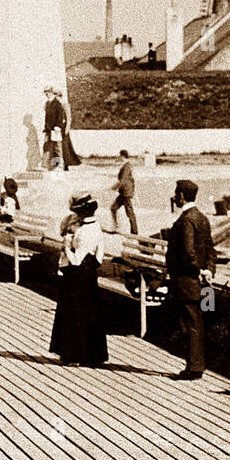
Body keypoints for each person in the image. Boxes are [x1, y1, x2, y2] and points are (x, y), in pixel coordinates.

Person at [49, 192, 108, 367]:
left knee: (75, 313)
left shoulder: (84, 231)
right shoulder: (95, 226)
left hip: (78, 276)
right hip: (89, 275)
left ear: (82, 212)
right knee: (90, 313)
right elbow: (99, 256)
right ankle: (91, 354)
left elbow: (76, 260)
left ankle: (75, 354)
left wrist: (66, 245)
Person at [164, 179, 214, 380]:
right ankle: (196, 364)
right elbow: (210, 248)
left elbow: (187, 252)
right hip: (202, 282)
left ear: (181, 196)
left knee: (190, 323)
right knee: (199, 321)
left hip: (186, 281)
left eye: (176, 194)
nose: (175, 197)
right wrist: (209, 270)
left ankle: (193, 367)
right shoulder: (202, 218)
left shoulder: (185, 220)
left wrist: (199, 270)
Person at [111, 149, 138, 234]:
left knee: (129, 213)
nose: (119, 157)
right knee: (113, 208)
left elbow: (123, 180)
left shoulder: (127, 166)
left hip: (126, 193)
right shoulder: (126, 165)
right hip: (124, 192)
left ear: (122, 156)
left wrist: (114, 187)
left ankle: (134, 231)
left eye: (120, 156)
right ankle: (116, 226)